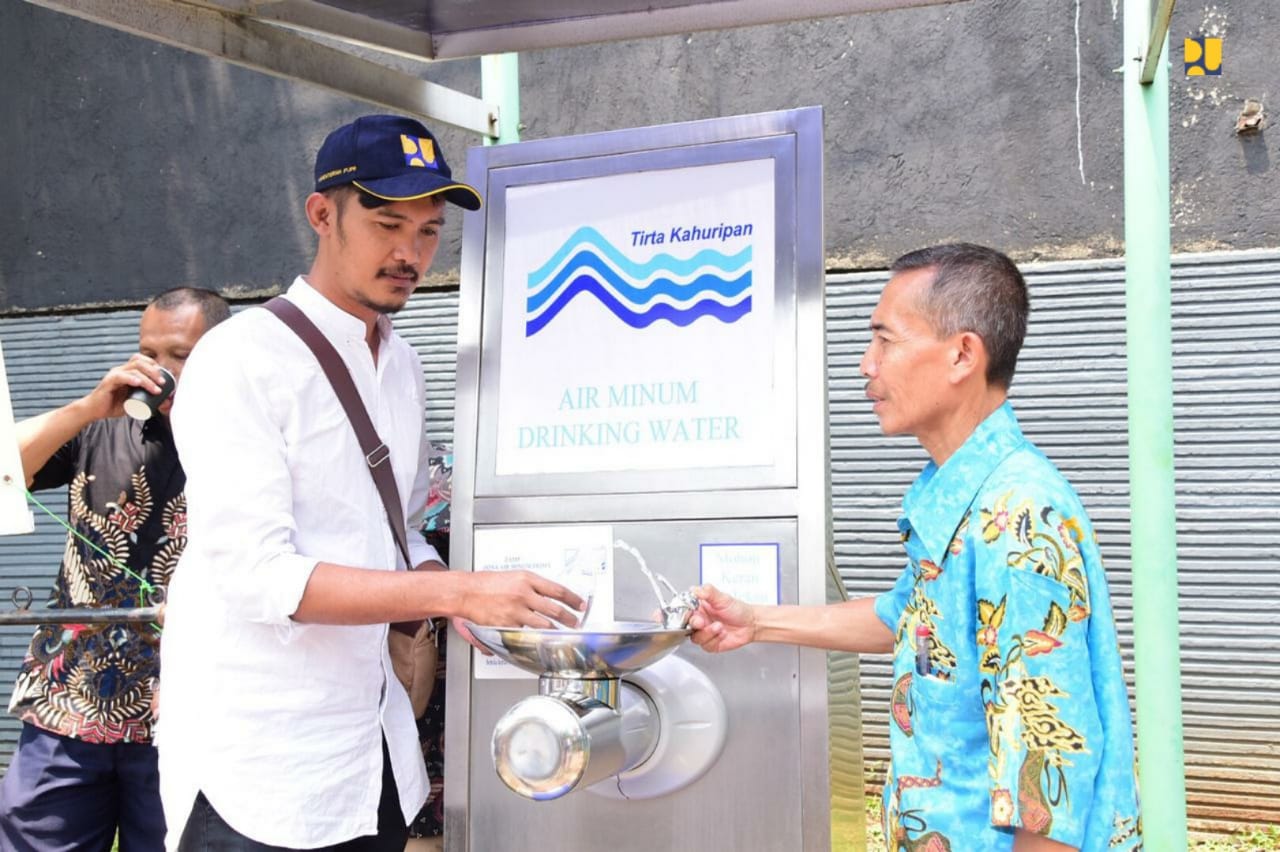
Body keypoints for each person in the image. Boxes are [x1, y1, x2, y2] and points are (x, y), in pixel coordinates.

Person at [157, 114, 583, 852]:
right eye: (388, 224)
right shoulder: (240, 358)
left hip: (374, 753)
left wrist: (452, 590)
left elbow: (400, 529)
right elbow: (259, 579)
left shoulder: (403, 363)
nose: (410, 253)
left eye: (428, 230)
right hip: (259, 770)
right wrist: (457, 593)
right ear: (322, 214)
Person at [690, 244, 1143, 851]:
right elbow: (910, 618)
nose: (866, 365)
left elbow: (1048, 761)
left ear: (962, 355)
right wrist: (754, 622)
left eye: (885, 340)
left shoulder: (1015, 517)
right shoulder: (961, 496)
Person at [0, 287, 230, 851]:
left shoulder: (250, 438)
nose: (159, 369)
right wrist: (86, 407)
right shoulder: (100, 424)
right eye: (148, 352)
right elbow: (5, 470)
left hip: (189, 710)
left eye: (180, 355)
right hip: (68, 702)